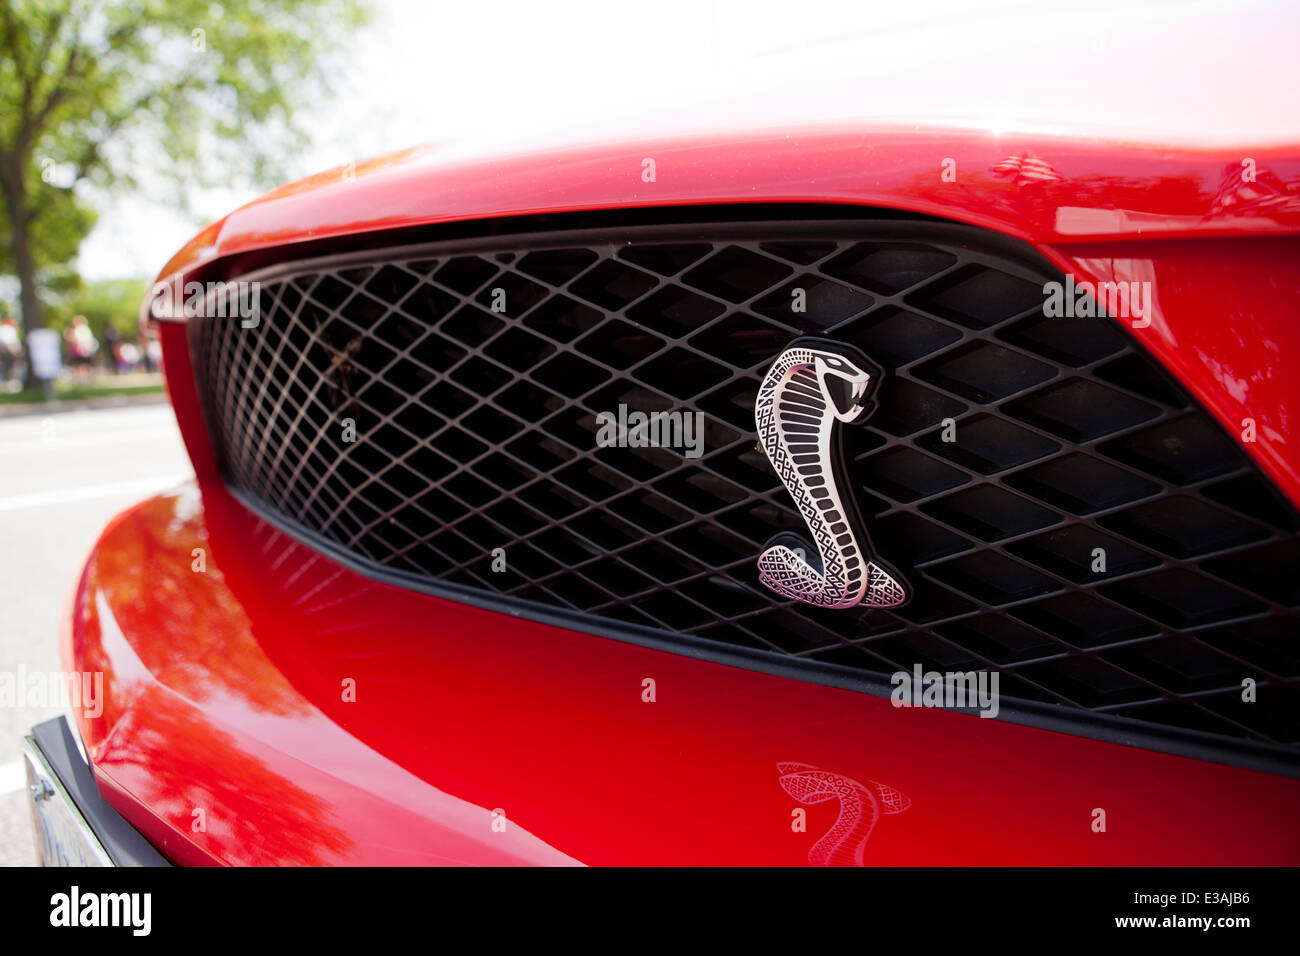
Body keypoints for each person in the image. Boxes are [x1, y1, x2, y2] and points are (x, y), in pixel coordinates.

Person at [65, 315, 98, 385]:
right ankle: (82, 381)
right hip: (79, 351)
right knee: (80, 365)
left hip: (84, 351)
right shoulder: (76, 330)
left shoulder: (83, 330)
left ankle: (86, 380)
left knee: (84, 365)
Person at [0, 317, 23, 389]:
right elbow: (8, 342)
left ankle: (8, 383)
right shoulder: (8, 329)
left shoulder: (3, 328)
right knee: (11, 368)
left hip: (6, 351)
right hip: (9, 351)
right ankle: (10, 384)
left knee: (7, 368)